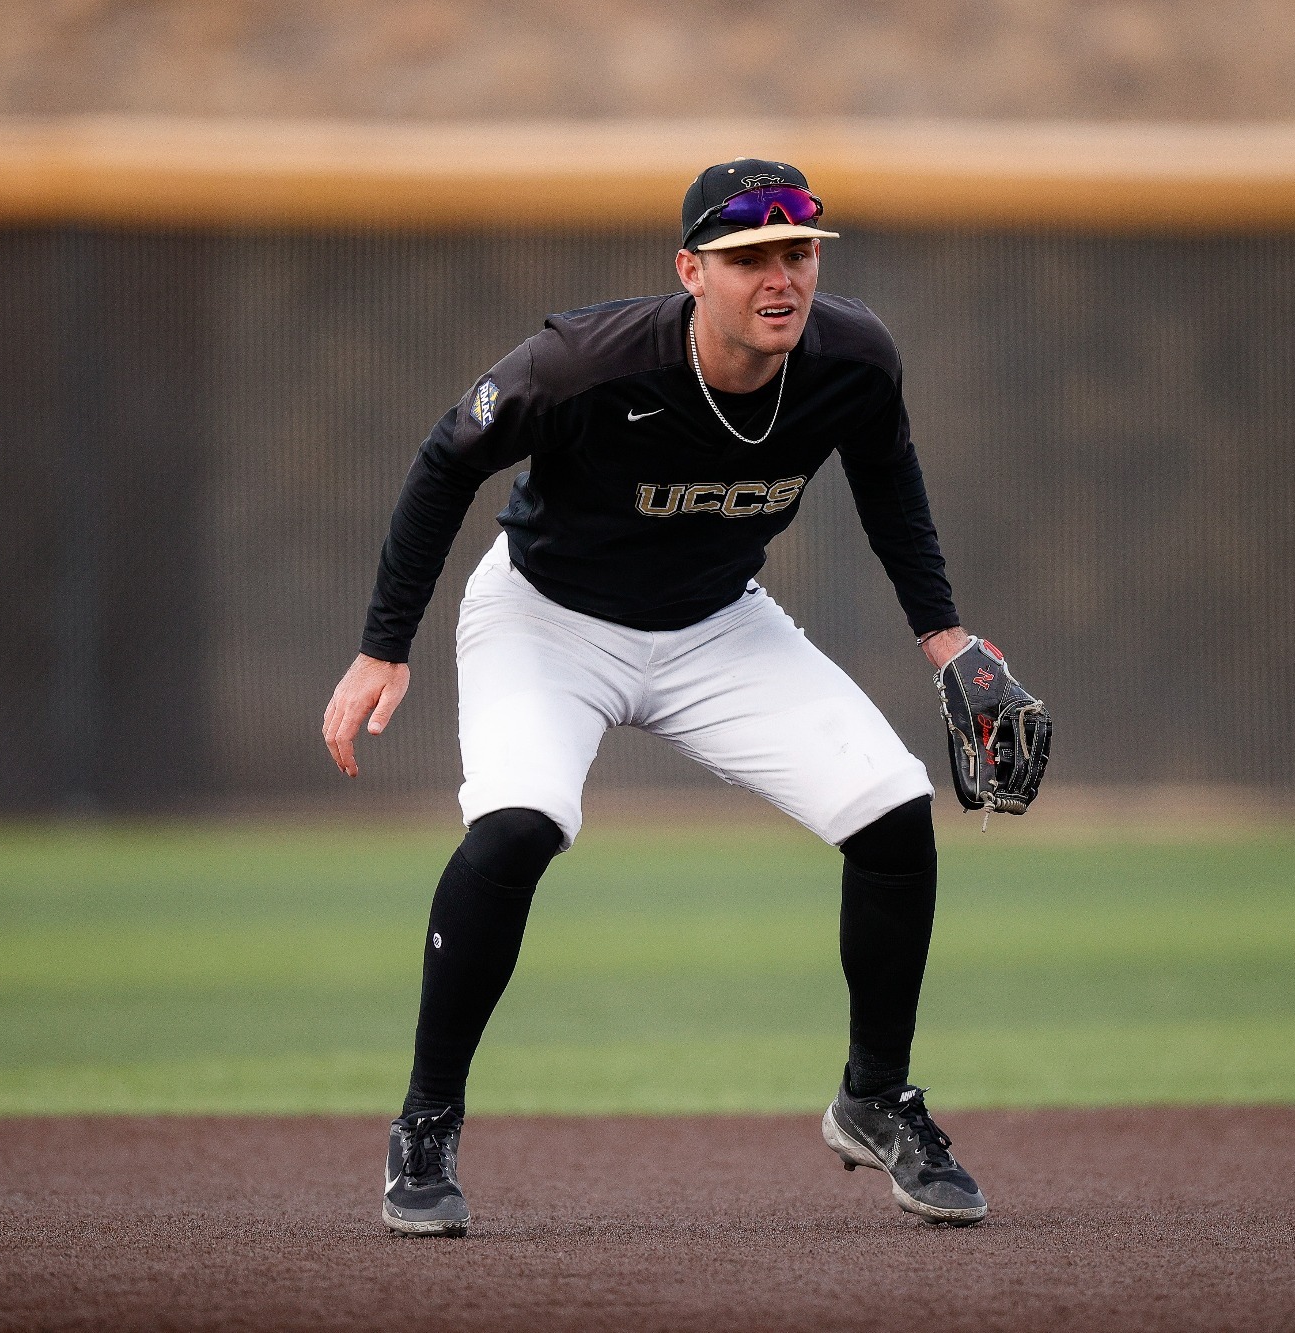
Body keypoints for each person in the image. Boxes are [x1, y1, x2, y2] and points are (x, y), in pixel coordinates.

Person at [322, 158, 988, 1237]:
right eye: (747, 259)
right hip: (548, 620)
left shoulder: (851, 359)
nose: (780, 279)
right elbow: (447, 459)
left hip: (715, 623)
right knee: (516, 830)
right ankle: (425, 1121)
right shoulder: (584, 364)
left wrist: (944, 637)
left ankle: (874, 1097)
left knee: (893, 813)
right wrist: (380, 647)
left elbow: (888, 486)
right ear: (691, 270)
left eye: (798, 253)